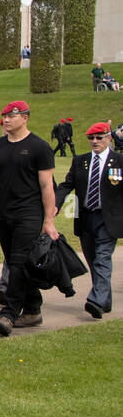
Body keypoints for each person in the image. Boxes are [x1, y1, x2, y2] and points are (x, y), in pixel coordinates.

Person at [0, 101, 58, 336]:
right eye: (4, 116)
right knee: (14, 260)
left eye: (12, 115)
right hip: (2, 212)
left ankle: (8, 313)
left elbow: (47, 185)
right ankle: (33, 309)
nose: (6, 119)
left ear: (25, 117)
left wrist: (49, 220)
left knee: (18, 262)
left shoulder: (39, 147)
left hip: (29, 213)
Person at [55, 122, 122, 319]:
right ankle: (105, 300)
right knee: (93, 260)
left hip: (109, 219)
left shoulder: (119, 161)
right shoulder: (81, 161)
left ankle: (96, 300)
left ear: (109, 138)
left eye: (99, 138)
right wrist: (55, 204)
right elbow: (67, 185)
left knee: (102, 258)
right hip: (85, 218)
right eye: (91, 138)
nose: (95, 141)